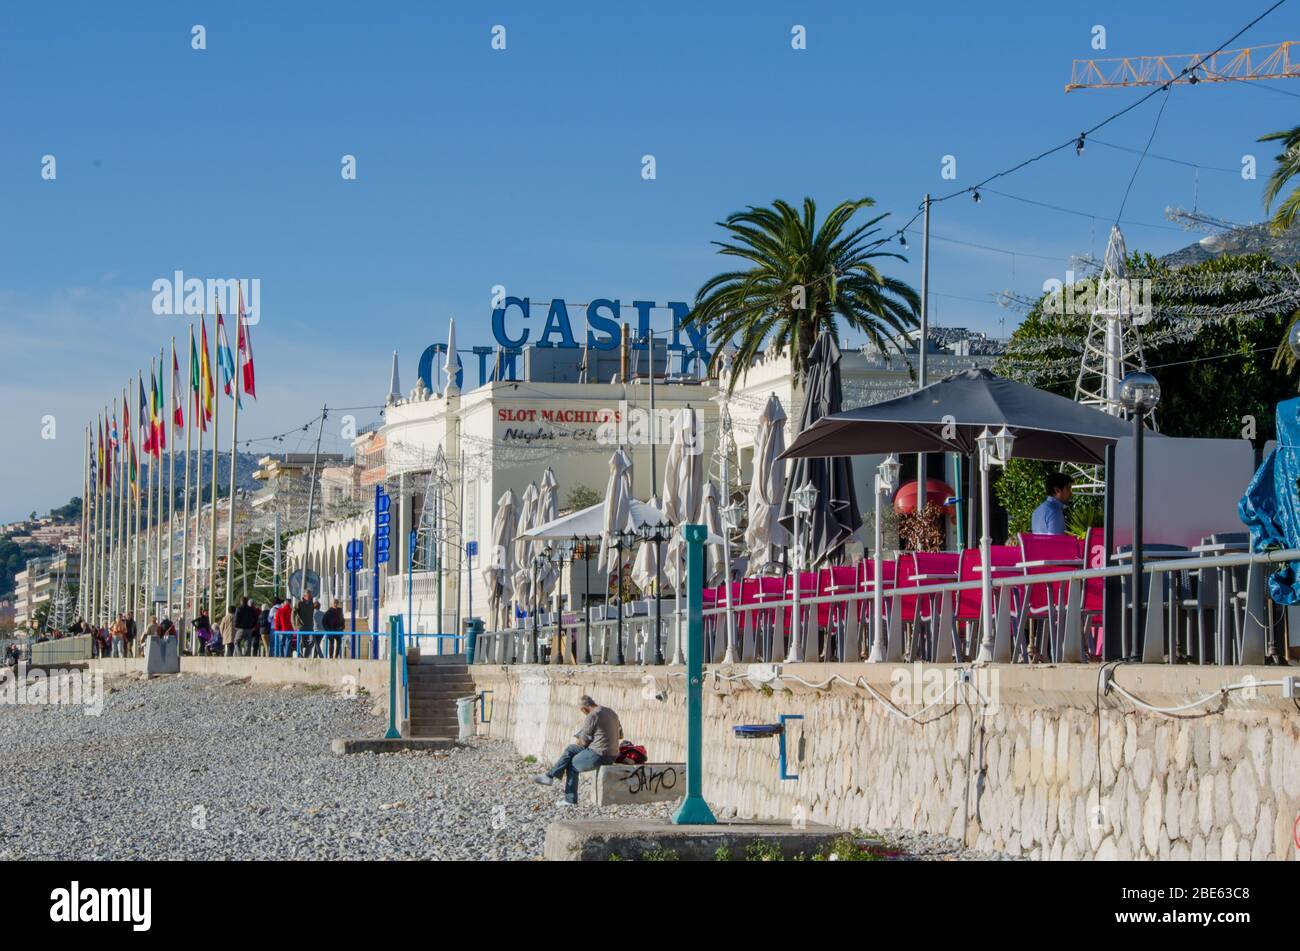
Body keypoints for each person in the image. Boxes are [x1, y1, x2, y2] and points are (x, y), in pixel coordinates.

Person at [533, 695, 623, 805]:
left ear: (583, 709)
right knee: (570, 749)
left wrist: (580, 739)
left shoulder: (592, 715)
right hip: (613, 754)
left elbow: (583, 743)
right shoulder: (611, 712)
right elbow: (620, 735)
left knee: (571, 764)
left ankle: (569, 799)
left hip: (599, 755)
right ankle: (549, 776)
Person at [295, 590, 316, 658]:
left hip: (310, 626)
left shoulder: (311, 604)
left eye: (310, 596)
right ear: (304, 596)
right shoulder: (299, 603)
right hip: (301, 626)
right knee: (301, 642)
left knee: (312, 640)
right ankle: (301, 656)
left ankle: (306, 655)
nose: (310, 597)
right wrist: (295, 625)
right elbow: (293, 614)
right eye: (308, 596)